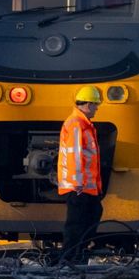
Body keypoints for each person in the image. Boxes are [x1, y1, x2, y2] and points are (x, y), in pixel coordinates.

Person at [58, 85, 104, 261]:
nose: (97, 108)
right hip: (78, 186)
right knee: (76, 224)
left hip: (86, 186)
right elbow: (74, 155)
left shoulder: (83, 123)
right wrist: (77, 182)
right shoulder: (77, 124)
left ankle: (79, 254)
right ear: (87, 104)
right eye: (95, 104)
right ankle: (69, 259)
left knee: (92, 215)